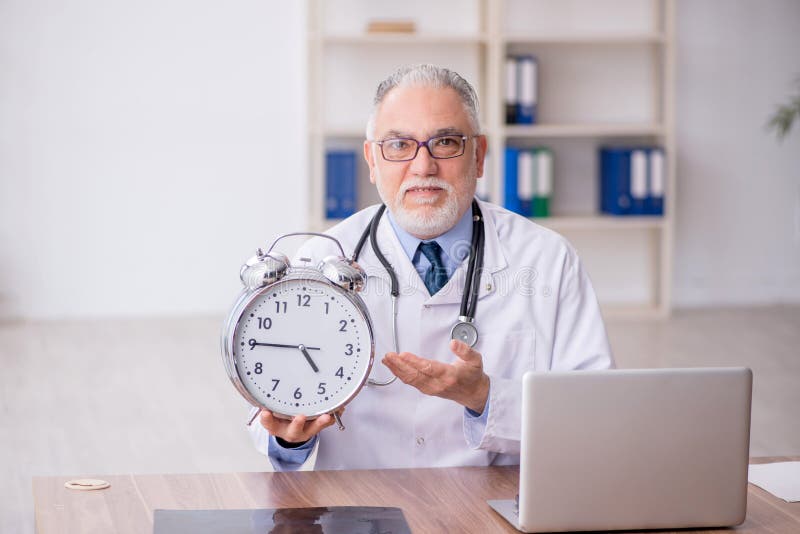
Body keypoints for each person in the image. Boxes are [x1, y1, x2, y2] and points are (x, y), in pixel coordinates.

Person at [249, 64, 614, 471]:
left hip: (492, 512)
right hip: (361, 510)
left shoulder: (548, 260)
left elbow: (592, 413)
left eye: (445, 142)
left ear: (479, 156)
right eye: (399, 145)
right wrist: (289, 436)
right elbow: (274, 419)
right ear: (372, 160)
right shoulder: (317, 261)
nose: (423, 167)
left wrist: (485, 397)